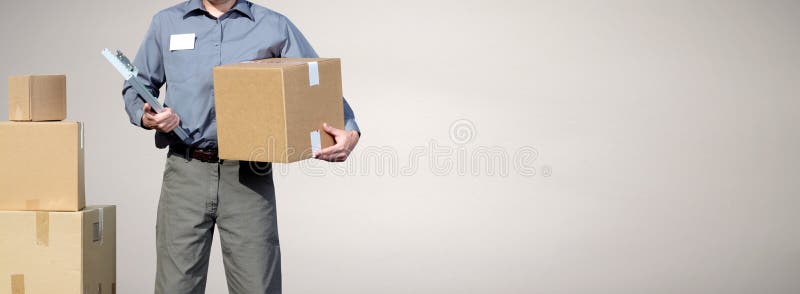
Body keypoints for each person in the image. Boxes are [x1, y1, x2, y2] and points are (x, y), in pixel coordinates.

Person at [120, 0, 361, 293]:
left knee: (257, 286)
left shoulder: (273, 25)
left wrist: (349, 129)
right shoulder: (166, 23)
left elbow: (316, 81)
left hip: (249, 176)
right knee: (175, 287)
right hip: (185, 174)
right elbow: (136, 85)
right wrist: (148, 117)